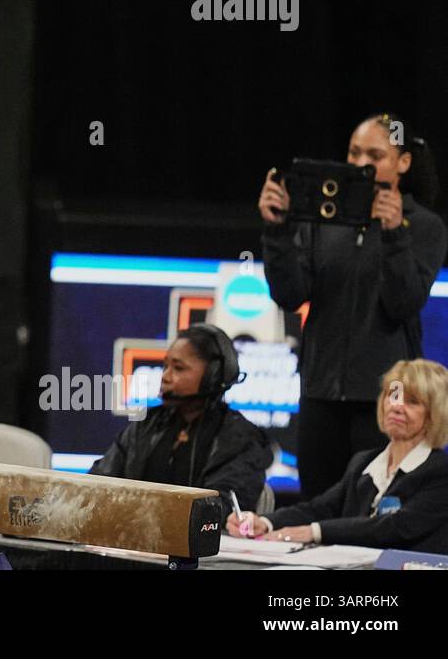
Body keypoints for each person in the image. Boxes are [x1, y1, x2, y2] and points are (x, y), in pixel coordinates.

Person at [259, 112, 447, 497]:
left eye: (375, 156)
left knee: (372, 514)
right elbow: (290, 295)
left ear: (403, 163)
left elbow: (403, 303)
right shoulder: (325, 219)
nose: (360, 164)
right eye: (354, 153)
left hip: (381, 403)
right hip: (319, 395)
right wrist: (277, 231)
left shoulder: (425, 227)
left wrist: (393, 234)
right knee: (316, 508)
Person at [229, 360, 448, 553]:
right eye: (393, 396)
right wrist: (265, 522)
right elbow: (320, 508)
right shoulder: (364, 463)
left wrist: (314, 532)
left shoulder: (441, 472)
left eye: (412, 402)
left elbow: (394, 527)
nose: (396, 407)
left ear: (436, 413)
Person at [90, 324, 272, 518]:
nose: (165, 377)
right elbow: (98, 484)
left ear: (212, 376)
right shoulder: (146, 425)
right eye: (165, 366)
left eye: (178, 368)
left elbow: (219, 509)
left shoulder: (241, 439)